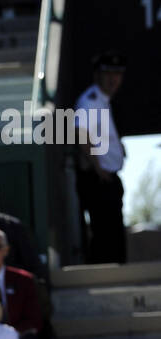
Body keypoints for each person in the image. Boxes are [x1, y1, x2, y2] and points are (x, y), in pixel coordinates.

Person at [74, 53, 127, 265]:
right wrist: (99, 168)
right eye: (109, 74)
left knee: (114, 236)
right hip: (98, 180)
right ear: (98, 75)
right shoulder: (91, 100)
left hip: (107, 179)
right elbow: (80, 133)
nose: (114, 79)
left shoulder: (104, 101)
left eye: (118, 74)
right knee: (105, 237)